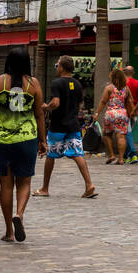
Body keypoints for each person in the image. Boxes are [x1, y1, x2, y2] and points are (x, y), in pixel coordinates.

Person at [0, 46, 46, 243]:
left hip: (1, 141)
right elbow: (39, 114)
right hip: (26, 140)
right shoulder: (34, 85)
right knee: (25, 182)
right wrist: (43, 140)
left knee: (6, 186)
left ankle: (9, 230)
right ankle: (19, 213)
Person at [34, 55, 96, 198]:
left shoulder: (57, 83)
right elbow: (80, 104)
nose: (57, 68)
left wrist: (46, 107)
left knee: (51, 155)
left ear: (61, 67)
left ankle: (45, 188)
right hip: (73, 125)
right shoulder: (78, 84)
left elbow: (55, 103)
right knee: (77, 154)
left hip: (58, 125)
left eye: (57, 65)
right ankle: (89, 184)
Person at [95, 67, 133, 164]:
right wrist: (131, 113)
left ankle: (111, 155)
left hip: (110, 113)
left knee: (107, 134)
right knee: (121, 136)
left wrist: (97, 113)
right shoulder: (126, 89)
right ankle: (121, 159)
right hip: (122, 114)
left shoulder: (109, 88)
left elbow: (103, 101)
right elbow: (130, 101)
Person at [122, 65, 138, 165]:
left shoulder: (122, 84)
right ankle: (126, 156)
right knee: (127, 132)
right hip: (135, 111)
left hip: (123, 111)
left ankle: (132, 154)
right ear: (133, 73)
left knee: (127, 133)